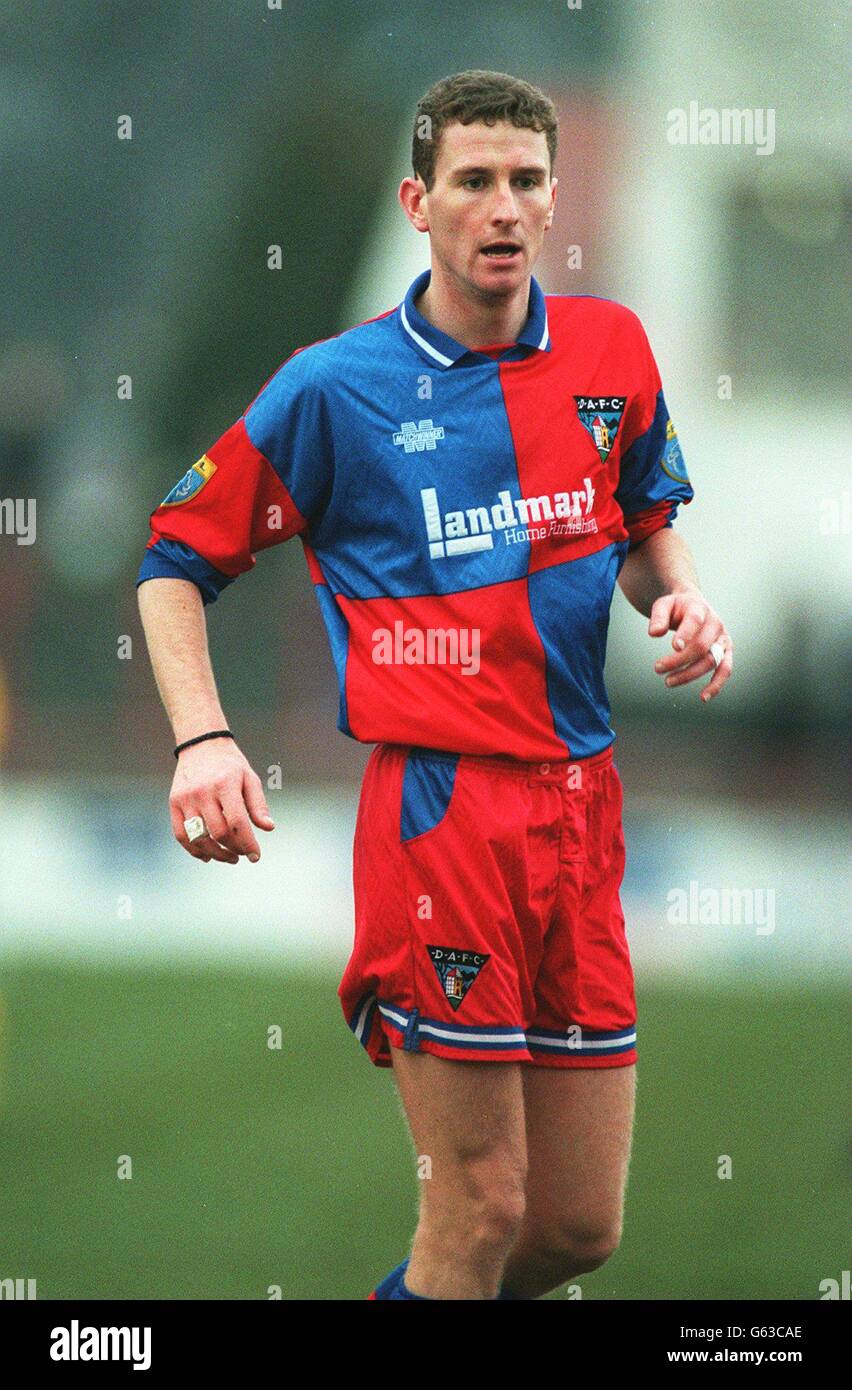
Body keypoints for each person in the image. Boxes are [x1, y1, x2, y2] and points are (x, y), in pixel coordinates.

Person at [136, 69, 733, 1301]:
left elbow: (639, 519)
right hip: (444, 821)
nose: (502, 206)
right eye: (474, 181)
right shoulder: (335, 387)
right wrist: (204, 737)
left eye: (524, 181)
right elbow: (173, 562)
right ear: (419, 200)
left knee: (571, 1232)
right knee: (479, 1210)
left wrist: (679, 595)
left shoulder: (613, 349)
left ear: (554, 197)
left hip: (586, 811)